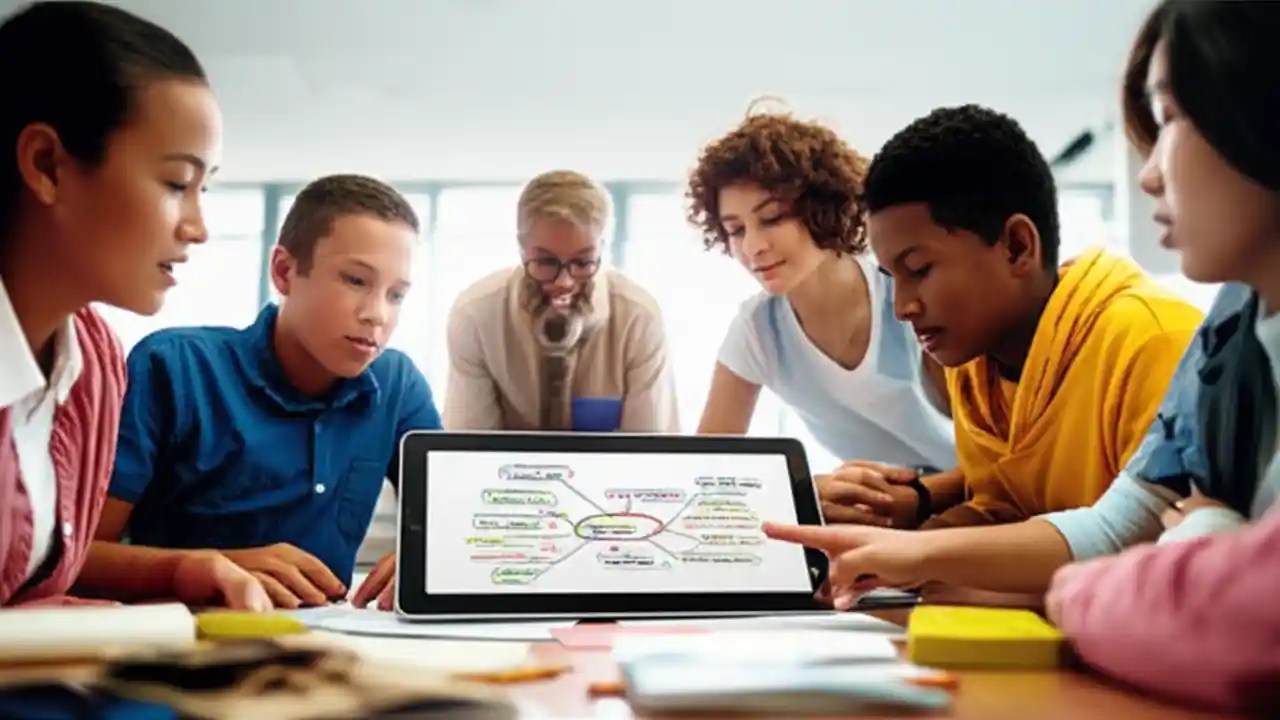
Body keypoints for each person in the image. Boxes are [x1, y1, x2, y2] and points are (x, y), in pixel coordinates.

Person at [762, 103, 1203, 603]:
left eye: (920, 269)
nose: (902, 308)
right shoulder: (974, 359)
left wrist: (928, 566)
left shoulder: (1152, 342)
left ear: (1017, 246)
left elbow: (1159, 553)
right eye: (891, 279)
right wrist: (882, 544)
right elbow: (999, 507)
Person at [1044, 2, 1280, 713]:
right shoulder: (1240, 319)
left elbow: (1253, 618)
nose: (1149, 177)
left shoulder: (1138, 324)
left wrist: (1203, 545)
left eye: (1170, 117)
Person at [0, 1, 266, 609]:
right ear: (47, 165)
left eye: (206, 188)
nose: (197, 227)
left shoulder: (94, 363)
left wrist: (176, 574)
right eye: (177, 184)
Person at [90, 174, 442, 610]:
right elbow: (72, 560)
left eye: (397, 295)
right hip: (187, 645)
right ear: (284, 271)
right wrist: (211, 566)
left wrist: (430, 556)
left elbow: (452, 530)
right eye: (355, 280)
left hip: (333, 648)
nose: (377, 315)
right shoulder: (174, 367)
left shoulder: (397, 385)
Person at [686, 108, 956, 527]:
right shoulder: (758, 330)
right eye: (736, 229)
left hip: (978, 500)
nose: (753, 246)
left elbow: (1004, 458)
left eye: (772, 218)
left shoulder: (902, 296)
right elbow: (707, 471)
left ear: (820, 209)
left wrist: (917, 498)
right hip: (887, 517)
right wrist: (802, 492)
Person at [444, 170, 678, 433]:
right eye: (545, 262)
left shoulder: (638, 318)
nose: (564, 282)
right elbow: (469, 451)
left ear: (602, 249)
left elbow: (648, 455)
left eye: (582, 262)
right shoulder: (476, 316)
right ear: (522, 249)